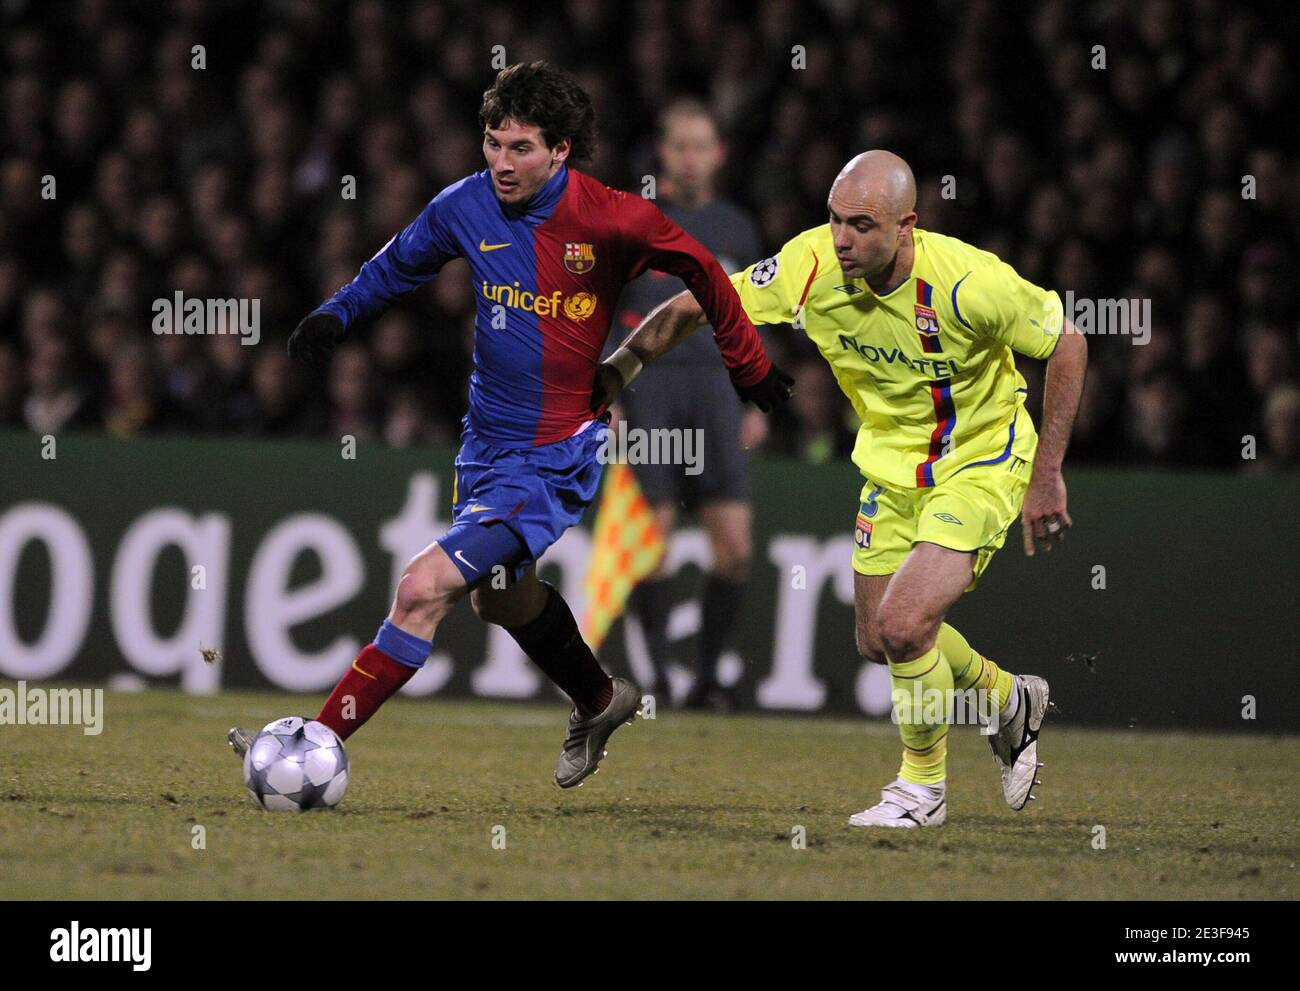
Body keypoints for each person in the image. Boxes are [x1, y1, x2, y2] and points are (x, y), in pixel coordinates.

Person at [227, 62, 792, 789]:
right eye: (493, 143)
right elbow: (397, 265)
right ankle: (601, 698)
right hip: (485, 447)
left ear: (560, 150)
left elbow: (704, 273)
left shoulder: (612, 216)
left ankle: (311, 747)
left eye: (520, 148)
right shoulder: (466, 204)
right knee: (500, 597)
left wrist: (747, 363)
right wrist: (338, 312)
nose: (501, 162)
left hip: (553, 456)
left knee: (423, 587)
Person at [597, 150, 1087, 826]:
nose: (842, 239)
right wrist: (616, 373)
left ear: (907, 226)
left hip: (979, 459)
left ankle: (922, 790)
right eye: (834, 220)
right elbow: (695, 303)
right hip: (891, 465)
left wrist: (1048, 471)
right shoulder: (809, 266)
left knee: (904, 624)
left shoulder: (969, 282)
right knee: (878, 639)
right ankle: (1008, 698)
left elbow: (1067, 341)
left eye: (861, 225)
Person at [612, 99, 766, 710]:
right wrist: (609, 392)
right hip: (650, 387)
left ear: (719, 154)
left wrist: (755, 390)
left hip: (718, 391)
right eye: (681, 146)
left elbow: (756, 314)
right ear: (663, 152)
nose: (691, 158)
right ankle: (657, 679)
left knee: (736, 549)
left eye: (702, 146)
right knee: (653, 541)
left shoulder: (738, 228)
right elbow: (603, 308)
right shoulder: (637, 221)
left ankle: (704, 679)